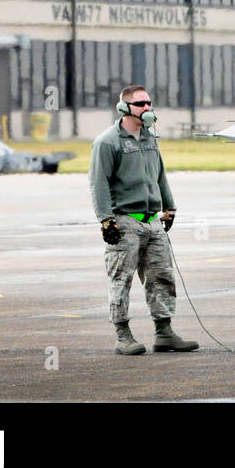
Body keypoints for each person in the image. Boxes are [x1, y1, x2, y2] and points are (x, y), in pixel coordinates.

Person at [89, 84, 199, 355]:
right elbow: (98, 183)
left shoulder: (150, 138)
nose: (147, 108)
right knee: (121, 279)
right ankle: (123, 335)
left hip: (152, 221)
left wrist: (169, 207)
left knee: (161, 276)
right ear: (124, 108)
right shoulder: (107, 142)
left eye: (149, 103)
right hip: (125, 221)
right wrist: (106, 220)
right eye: (140, 104)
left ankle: (164, 332)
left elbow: (160, 174)